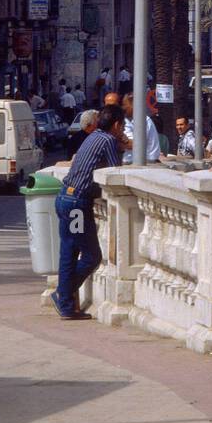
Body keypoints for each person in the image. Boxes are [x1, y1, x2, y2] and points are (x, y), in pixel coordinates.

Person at [52, 104, 127, 319]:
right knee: (92, 256)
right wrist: (123, 146)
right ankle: (63, 296)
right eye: (122, 126)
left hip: (65, 197)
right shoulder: (109, 140)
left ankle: (65, 303)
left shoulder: (93, 137)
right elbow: (115, 172)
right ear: (117, 124)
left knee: (69, 252)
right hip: (77, 204)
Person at [121, 93, 161, 164]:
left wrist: (116, 138)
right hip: (141, 162)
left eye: (124, 104)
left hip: (144, 163)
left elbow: (135, 144)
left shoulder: (142, 121)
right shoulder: (132, 119)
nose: (122, 108)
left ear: (133, 104)